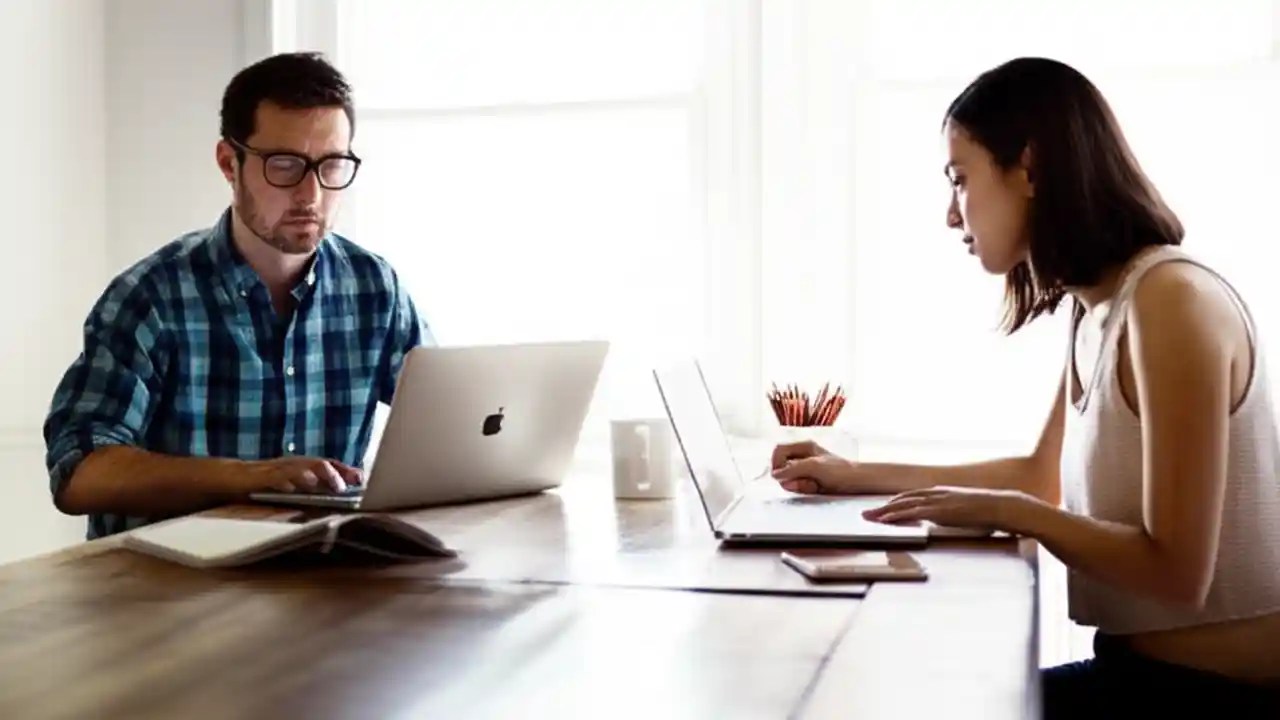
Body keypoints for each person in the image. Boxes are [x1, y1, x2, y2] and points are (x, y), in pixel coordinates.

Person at [771, 57, 1280, 716]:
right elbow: (1040, 476)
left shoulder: (1171, 302)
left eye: (959, 180)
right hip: (1137, 671)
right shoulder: (1098, 304)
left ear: (1031, 169)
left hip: (1214, 695)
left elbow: (1179, 572)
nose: (952, 215)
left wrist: (1009, 515)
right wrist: (853, 473)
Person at [43, 52, 432, 540]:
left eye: (332, 165)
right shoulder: (151, 298)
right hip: (166, 596)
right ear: (230, 163)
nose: (311, 194)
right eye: (285, 165)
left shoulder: (376, 289)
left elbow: (443, 430)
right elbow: (79, 472)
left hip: (325, 581)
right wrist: (247, 479)